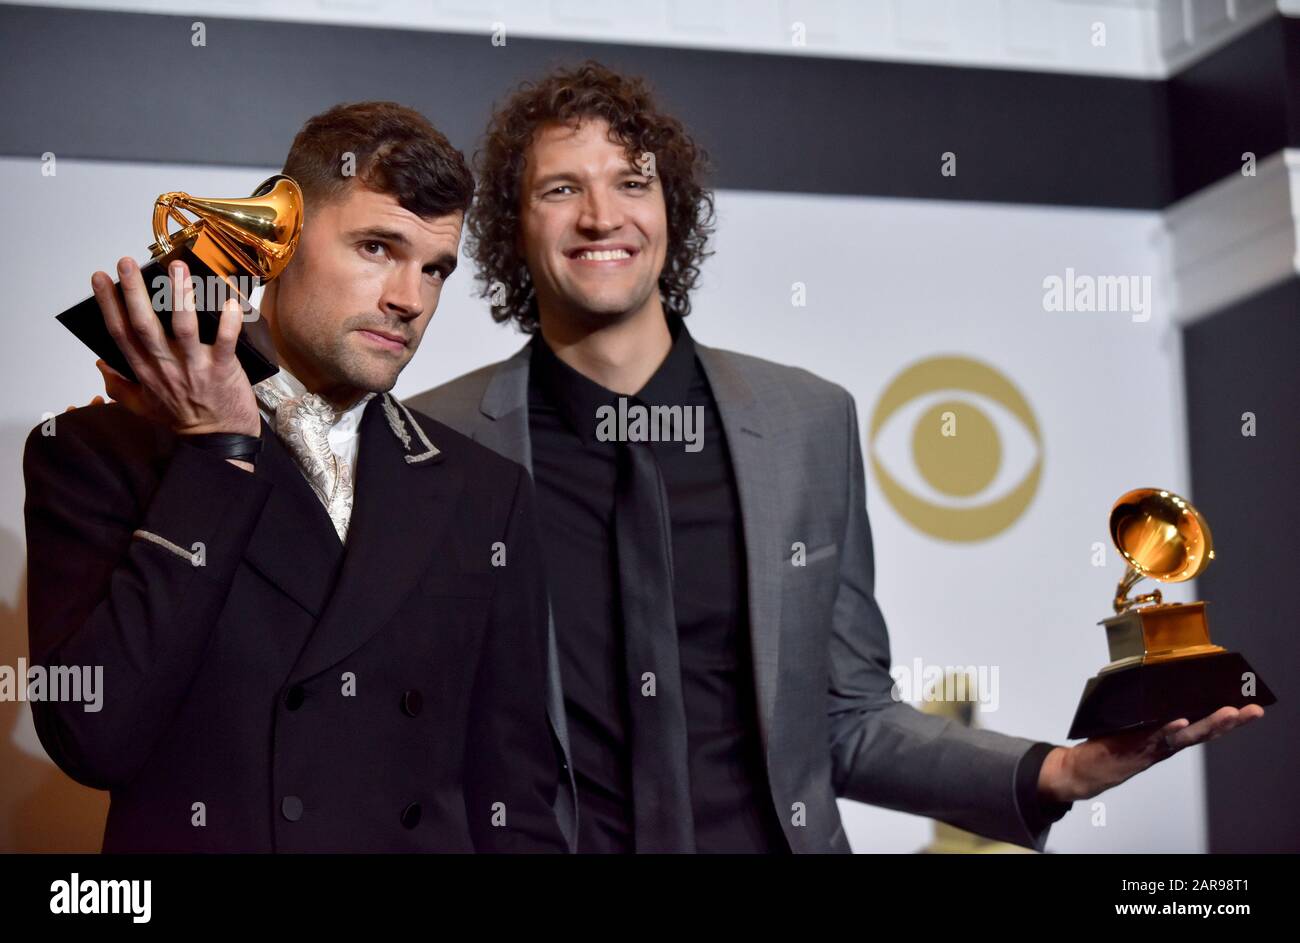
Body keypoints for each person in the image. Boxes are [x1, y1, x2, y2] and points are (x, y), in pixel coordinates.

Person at [408, 63, 1265, 853]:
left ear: (671, 208)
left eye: (632, 182)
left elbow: (847, 715)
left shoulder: (805, 423)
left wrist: (1056, 772)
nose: (603, 215)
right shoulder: (434, 440)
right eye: (562, 189)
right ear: (513, 230)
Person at [24, 101, 565, 852]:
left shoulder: (485, 493)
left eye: (434, 268)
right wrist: (219, 454)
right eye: (377, 247)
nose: (410, 299)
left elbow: (518, 798)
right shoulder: (94, 452)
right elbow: (94, 737)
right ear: (276, 246)